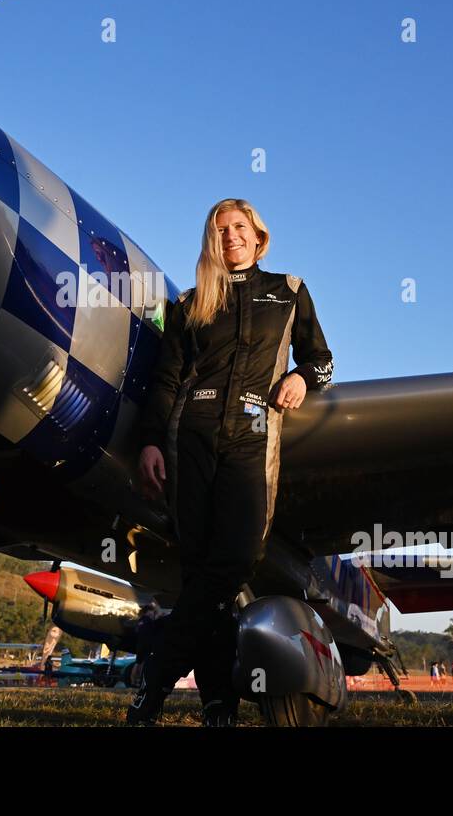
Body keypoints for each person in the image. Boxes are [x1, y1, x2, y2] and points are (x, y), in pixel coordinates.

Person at [125, 198, 334, 726]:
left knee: (237, 558)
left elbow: (322, 359)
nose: (231, 237)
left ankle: (154, 679)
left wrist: (300, 378)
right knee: (201, 572)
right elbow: (167, 379)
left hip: (251, 437)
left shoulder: (288, 292)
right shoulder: (191, 303)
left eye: (240, 228)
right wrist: (150, 441)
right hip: (188, 439)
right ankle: (219, 704)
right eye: (221, 231)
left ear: (258, 235)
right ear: (211, 242)